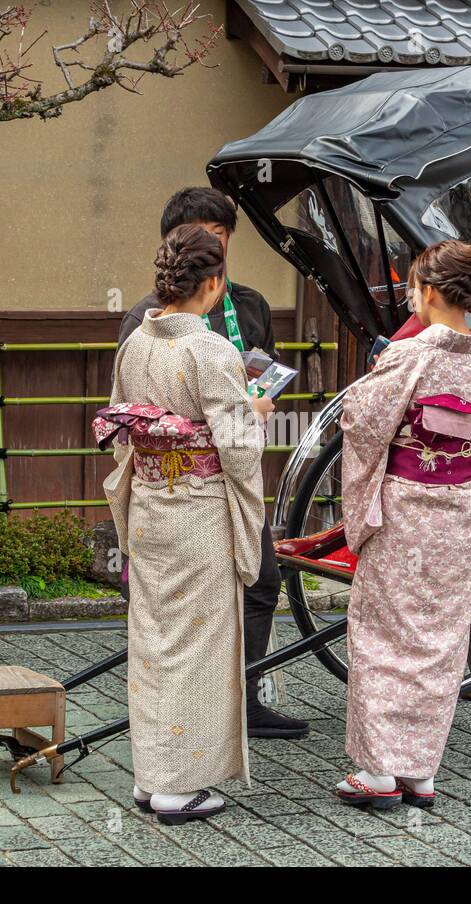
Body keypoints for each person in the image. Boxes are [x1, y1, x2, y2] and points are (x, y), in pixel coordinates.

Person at [120, 186, 309, 741]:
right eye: (204, 239)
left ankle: (243, 698)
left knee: (260, 581)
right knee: (180, 614)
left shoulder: (247, 306)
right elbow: (139, 413)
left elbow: (257, 380)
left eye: (222, 238)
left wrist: (251, 399)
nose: (216, 249)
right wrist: (240, 413)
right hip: (182, 488)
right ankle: (179, 730)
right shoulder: (142, 322)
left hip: (234, 474)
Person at [335, 240, 471, 809]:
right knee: (440, 640)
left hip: (408, 513)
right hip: (462, 512)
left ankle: (378, 772)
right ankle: (420, 772)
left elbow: (360, 424)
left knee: (384, 634)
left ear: (430, 292)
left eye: (414, 288)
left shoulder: (410, 356)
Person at [99, 224, 271, 824]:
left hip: (150, 503)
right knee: (195, 648)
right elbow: (239, 449)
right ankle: (178, 783)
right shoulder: (209, 349)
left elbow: (126, 435)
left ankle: (152, 777)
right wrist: (255, 412)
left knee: (153, 642)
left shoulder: (136, 345)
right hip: (198, 512)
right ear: (214, 284)